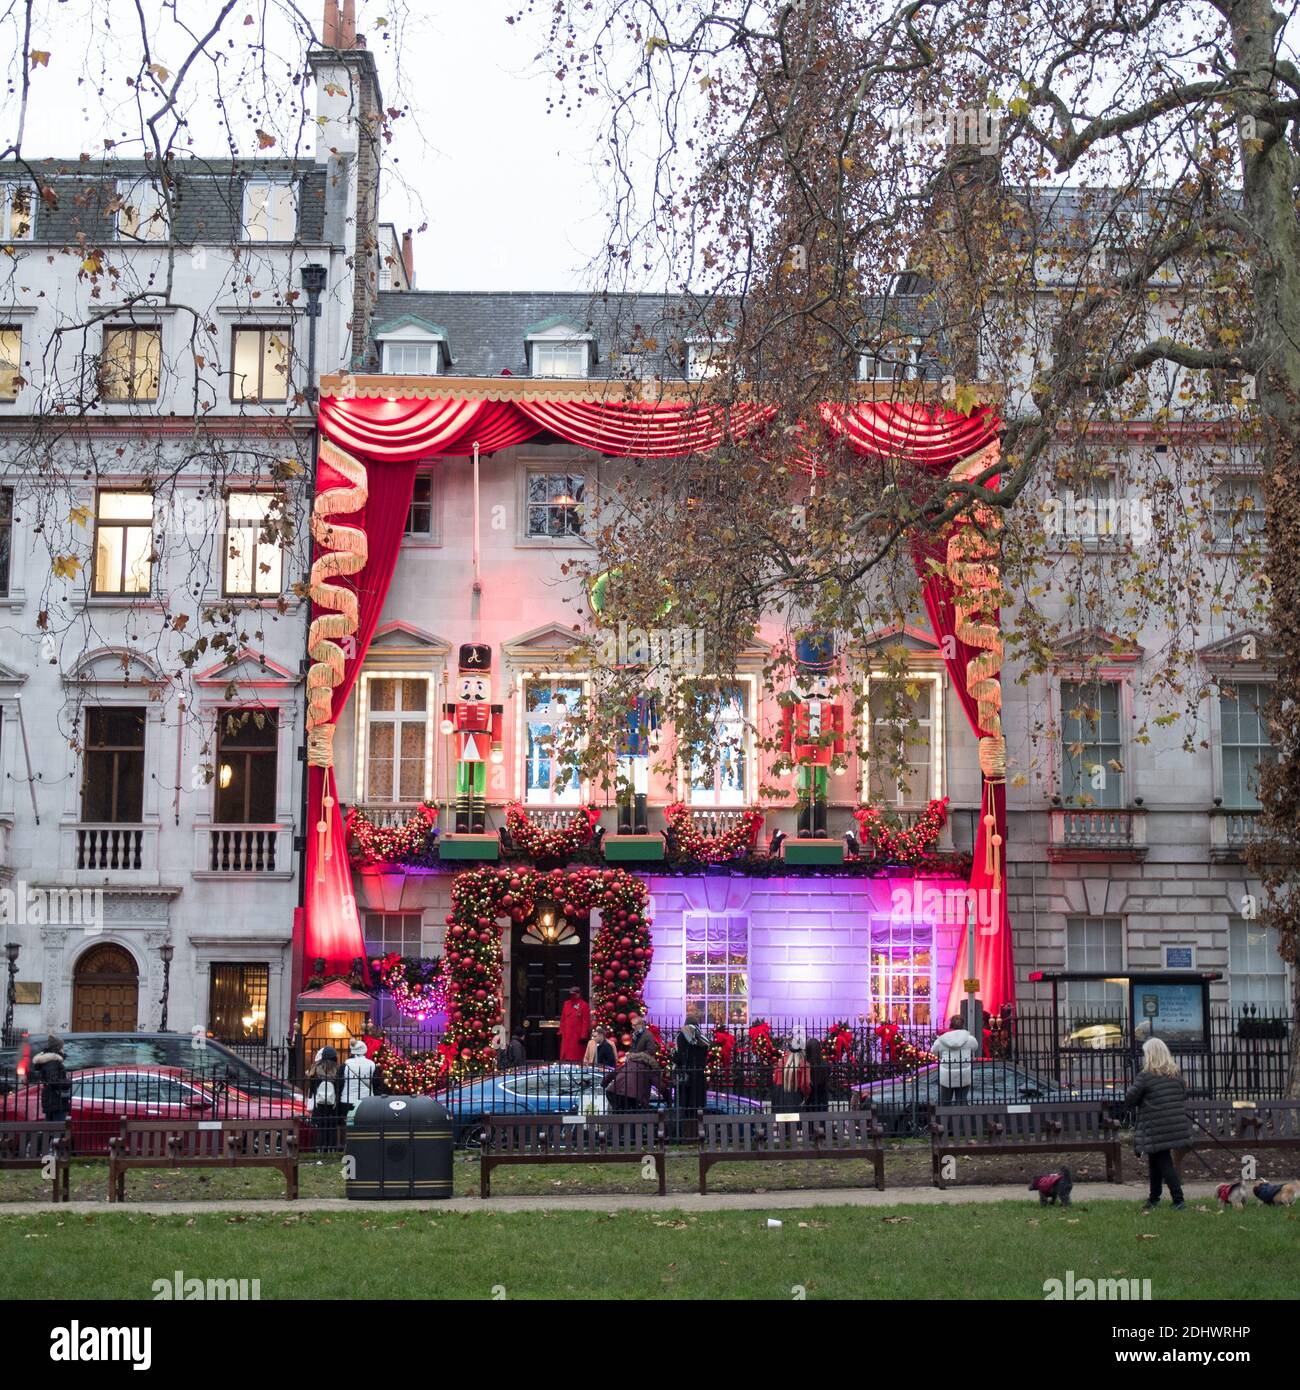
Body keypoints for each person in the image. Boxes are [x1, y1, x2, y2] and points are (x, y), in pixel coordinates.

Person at [1125, 1037, 1193, 1212]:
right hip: (1174, 1125)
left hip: (1156, 1126)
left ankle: (1178, 1200)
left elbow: (1130, 1099)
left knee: (1164, 1162)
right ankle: (1153, 1198)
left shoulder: (1145, 1076)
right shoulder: (1176, 1075)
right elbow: (1181, 1096)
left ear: (1151, 1055)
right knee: (1155, 1160)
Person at [932, 1014, 980, 1105]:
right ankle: (961, 1119)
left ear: (951, 1025)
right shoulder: (969, 1039)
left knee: (945, 1102)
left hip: (947, 1076)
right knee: (961, 1102)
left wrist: (942, 1055)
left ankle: (945, 1119)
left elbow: (934, 1051)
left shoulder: (942, 1039)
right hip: (964, 1075)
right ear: (963, 1025)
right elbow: (975, 1047)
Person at [309, 1045, 343, 1150]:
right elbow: (340, 1087)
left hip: (319, 1104)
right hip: (333, 1104)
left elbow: (312, 1087)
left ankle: (320, 1147)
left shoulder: (316, 1069)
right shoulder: (338, 1070)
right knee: (332, 1127)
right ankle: (331, 1148)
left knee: (321, 1127)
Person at [31, 1035, 71, 1123]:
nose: (63, 1049)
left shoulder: (51, 1061)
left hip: (52, 1099)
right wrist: (68, 1082)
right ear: (58, 1048)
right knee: (58, 1130)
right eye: (62, 1047)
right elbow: (53, 1081)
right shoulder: (53, 1062)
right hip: (56, 1100)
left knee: (51, 1129)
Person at [673, 1020, 709, 1115]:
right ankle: (697, 1126)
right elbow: (705, 1056)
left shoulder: (681, 1035)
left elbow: (679, 1057)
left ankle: (686, 1125)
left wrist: (673, 1057)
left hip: (686, 1075)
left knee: (685, 1105)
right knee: (698, 1106)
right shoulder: (701, 1037)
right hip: (699, 1074)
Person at [339, 1039, 377, 1115]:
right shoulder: (372, 1064)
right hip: (367, 1099)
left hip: (347, 1100)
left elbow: (339, 1083)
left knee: (349, 1123)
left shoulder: (345, 1064)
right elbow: (376, 1083)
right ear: (364, 1050)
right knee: (364, 1123)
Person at [558, 986, 591, 1064]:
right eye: (571, 994)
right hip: (567, 1035)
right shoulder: (566, 1004)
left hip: (577, 1036)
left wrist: (583, 1036)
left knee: (576, 1056)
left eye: (574, 994)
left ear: (579, 994)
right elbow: (563, 1019)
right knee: (565, 1056)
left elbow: (585, 1022)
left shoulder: (584, 1005)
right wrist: (561, 1031)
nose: (572, 996)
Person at [773, 1042, 810, 1110]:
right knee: (795, 1118)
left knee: (780, 1118)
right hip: (795, 1094)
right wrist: (806, 1095)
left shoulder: (781, 1061)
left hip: (779, 1093)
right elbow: (805, 1083)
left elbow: (774, 1079)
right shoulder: (803, 1063)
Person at [805, 1036, 830, 1110]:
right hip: (822, 1098)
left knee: (810, 1119)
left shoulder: (806, 1064)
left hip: (810, 1099)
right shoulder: (824, 1064)